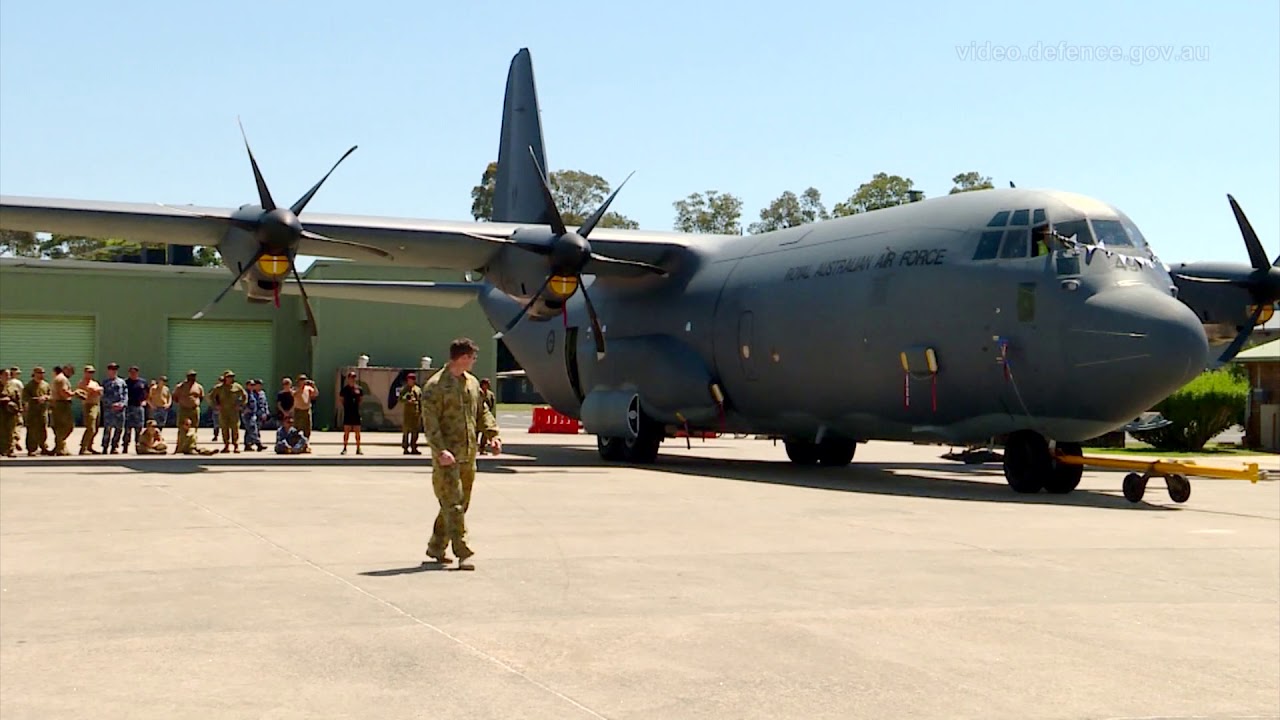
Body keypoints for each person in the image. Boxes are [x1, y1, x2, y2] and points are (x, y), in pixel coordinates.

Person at [422, 338, 501, 570]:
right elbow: (430, 423)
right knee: (453, 505)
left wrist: (492, 434)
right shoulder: (435, 386)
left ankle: (436, 546)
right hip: (447, 457)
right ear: (463, 358)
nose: (474, 362)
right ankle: (463, 551)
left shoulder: (472, 384)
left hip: (468, 455)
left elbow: (482, 411)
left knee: (458, 504)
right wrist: (440, 450)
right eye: (473, 358)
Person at [209, 370, 247, 453]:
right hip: (223, 411)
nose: (230, 379)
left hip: (234, 411)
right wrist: (216, 405)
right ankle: (226, 445)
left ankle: (236, 446)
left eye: (232, 377)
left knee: (235, 428)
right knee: (224, 428)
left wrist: (240, 405)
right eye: (229, 377)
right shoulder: (219, 388)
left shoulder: (237, 387)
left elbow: (244, 396)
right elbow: (210, 397)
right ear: (225, 378)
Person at [22, 367, 52, 456]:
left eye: (42, 373)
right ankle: (32, 449)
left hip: (43, 411)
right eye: (39, 373)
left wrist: (46, 398)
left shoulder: (46, 384)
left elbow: (50, 394)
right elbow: (25, 398)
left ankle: (43, 447)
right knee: (32, 430)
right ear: (34, 374)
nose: (41, 375)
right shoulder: (29, 386)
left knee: (43, 429)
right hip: (32, 412)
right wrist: (36, 399)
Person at [99, 362, 127, 454]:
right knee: (108, 428)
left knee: (119, 428)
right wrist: (111, 404)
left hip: (120, 409)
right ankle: (105, 446)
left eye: (115, 369)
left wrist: (122, 404)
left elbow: (125, 394)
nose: (113, 371)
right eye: (111, 369)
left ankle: (114, 446)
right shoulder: (105, 383)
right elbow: (103, 396)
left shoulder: (122, 382)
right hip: (109, 409)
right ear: (108, 371)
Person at [50, 365, 77, 456]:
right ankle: (60, 447)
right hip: (62, 404)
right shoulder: (62, 379)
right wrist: (75, 394)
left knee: (59, 427)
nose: (71, 374)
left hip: (57, 404)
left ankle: (59, 447)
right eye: (71, 372)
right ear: (66, 370)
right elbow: (63, 392)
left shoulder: (58, 378)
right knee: (67, 426)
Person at [122, 365, 148, 452]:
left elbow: (148, 393)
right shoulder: (125, 382)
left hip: (139, 408)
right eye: (131, 372)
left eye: (135, 372)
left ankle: (138, 447)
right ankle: (125, 447)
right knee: (127, 429)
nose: (133, 374)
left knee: (139, 429)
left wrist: (145, 401)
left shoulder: (142, 382)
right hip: (128, 408)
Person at [78, 366, 103, 455]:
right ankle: (83, 447)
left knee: (96, 428)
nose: (90, 374)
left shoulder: (94, 382)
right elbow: (89, 390)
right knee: (90, 428)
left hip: (96, 404)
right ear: (85, 372)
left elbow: (100, 391)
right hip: (88, 405)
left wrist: (97, 390)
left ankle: (89, 446)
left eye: (92, 372)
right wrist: (96, 390)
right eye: (89, 372)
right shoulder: (82, 383)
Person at [340, 371, 364, 455]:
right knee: (346, 432)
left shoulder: (359, 389)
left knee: (357, 432)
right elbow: (341, 400)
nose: (352, 379)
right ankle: (345, 448)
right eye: (351, 377)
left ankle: (358, 448)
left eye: (354, 377)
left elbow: (361, 399)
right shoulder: (345, 390)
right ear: (348, 379)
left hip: (356, 412)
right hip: (348, 413)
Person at [399, 372, 423, 455]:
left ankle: (414, 447)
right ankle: (405, 447)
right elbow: (400, 399)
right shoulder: (404, 389)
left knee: (415, 431)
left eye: (412, 379)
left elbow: (420, 400)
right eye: (409, 379)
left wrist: (421, 411)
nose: (410, 381)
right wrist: (407, 400)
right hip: (407, 413)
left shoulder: (417, 389)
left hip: (415, 413)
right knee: (406, 431)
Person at [0, 369, 19, 458]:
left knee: (11, 431)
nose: (8, 376)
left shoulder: (12, 386)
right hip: (1, 412)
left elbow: (17, 397)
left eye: (9, 375)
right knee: (2, 431)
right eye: (5, 375)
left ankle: (10, 450)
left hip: (11, 412)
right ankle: (2, 450)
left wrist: (19, 409)